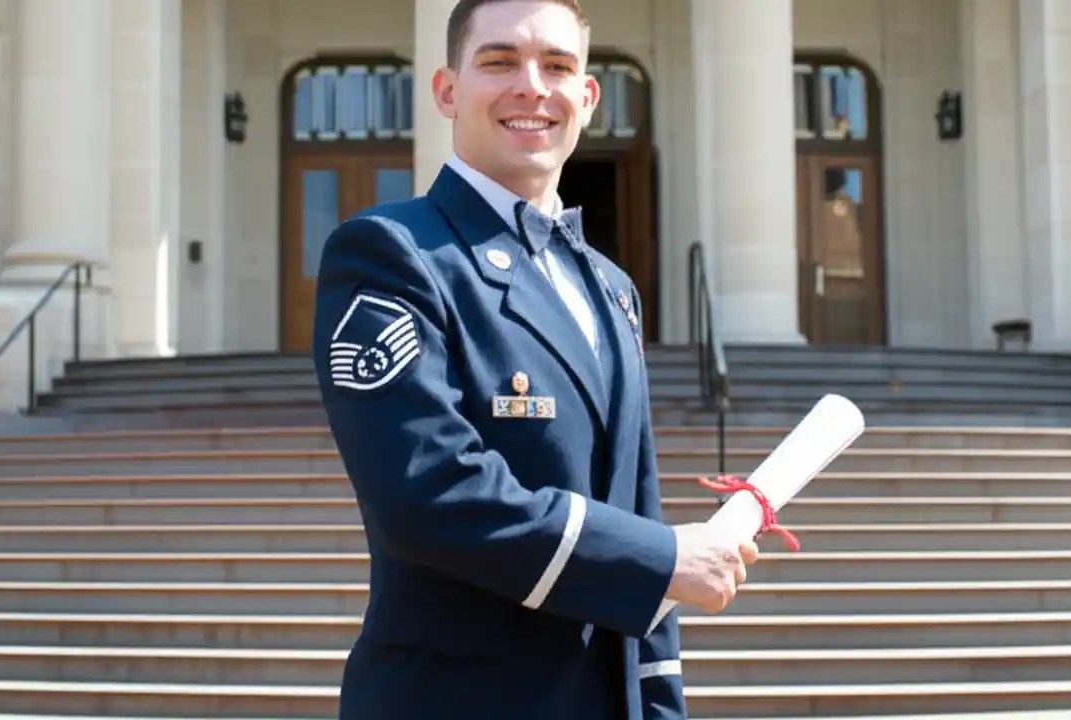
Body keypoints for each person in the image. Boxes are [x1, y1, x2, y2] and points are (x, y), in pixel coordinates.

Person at [311, 1, 759, 717]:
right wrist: (660, 558)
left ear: (586, 97)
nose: (532, 86)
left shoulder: (612, 289)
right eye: (498, 61)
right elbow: (428, 495)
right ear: (447, 91)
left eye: (557, 65)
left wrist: (662, 705)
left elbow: (635, 507)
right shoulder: (393, 254)